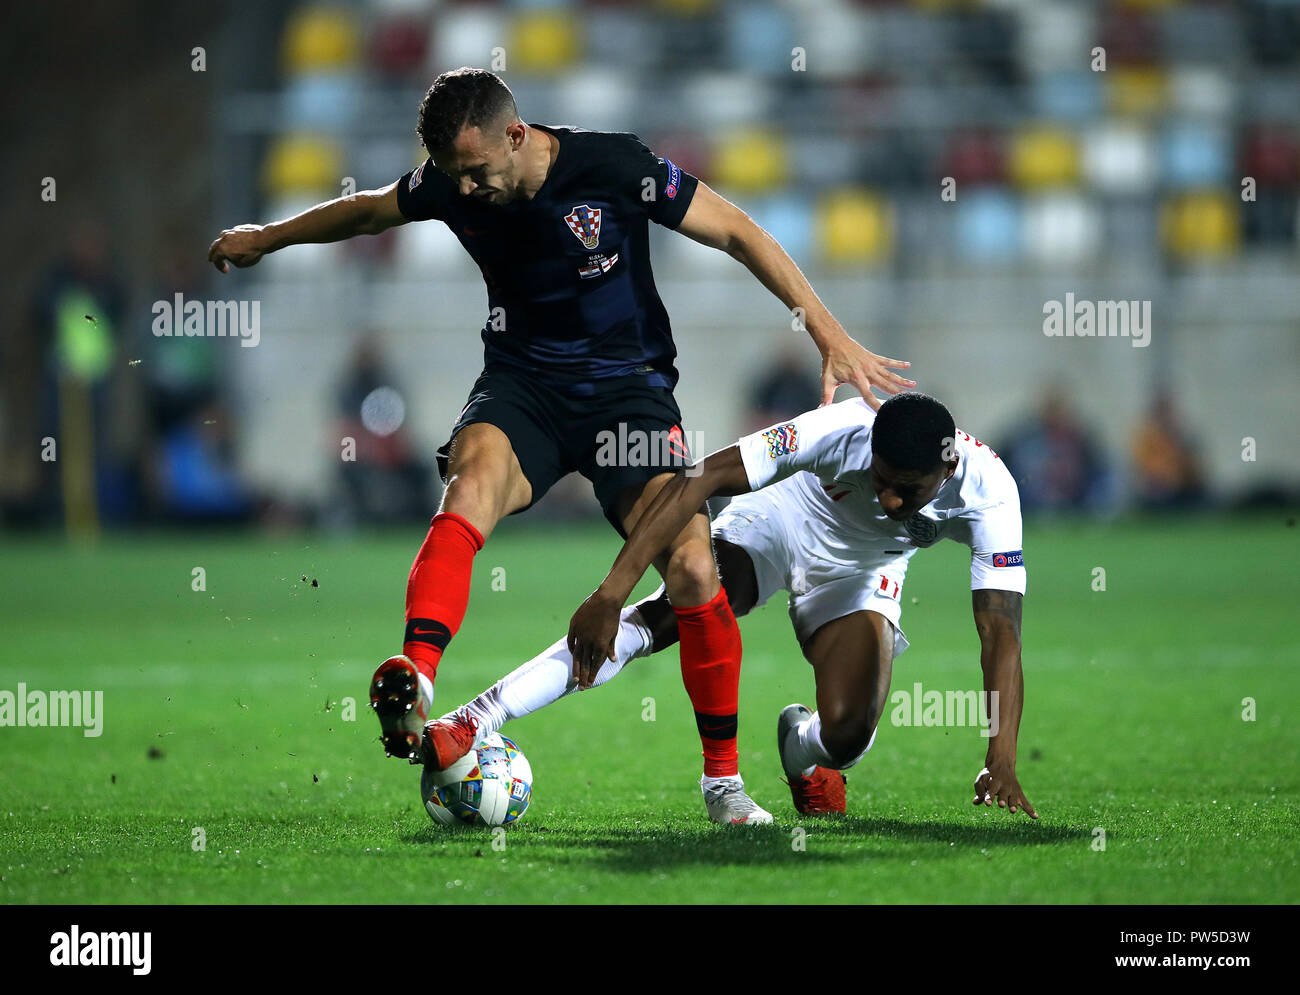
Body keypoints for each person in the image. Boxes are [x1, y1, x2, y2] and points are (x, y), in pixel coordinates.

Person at [207, 67, 914, 824]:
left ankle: (724, 784)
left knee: (693, 564)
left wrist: (828, 330)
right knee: (469, 485)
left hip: (628, 394)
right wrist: (268, 238)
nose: (466, 191)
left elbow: (738, 231)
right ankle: (417, 672)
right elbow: (370, 211)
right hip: (524, 387)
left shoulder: (612, 167)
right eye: (454, 177)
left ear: (516, 135)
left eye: (476, 173)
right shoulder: (452, 183)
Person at [428, 393, 1036, 819]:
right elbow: (697, 478)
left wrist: (999, 757)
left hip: (863, 572)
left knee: (849, 735)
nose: (891, 499)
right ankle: (477, 716)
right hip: (780, 523)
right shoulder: (841, 428)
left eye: (909, 490)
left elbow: (999, 632)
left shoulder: (992, 494)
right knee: (670, 614)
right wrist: (611, 592)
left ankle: (800, 748)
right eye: (881, 480)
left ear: (948, 465)